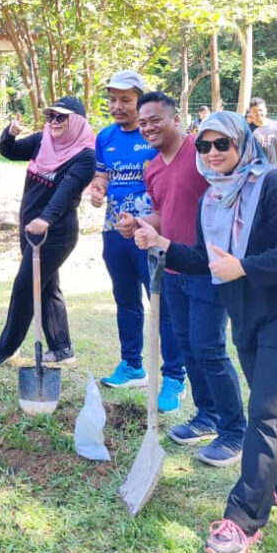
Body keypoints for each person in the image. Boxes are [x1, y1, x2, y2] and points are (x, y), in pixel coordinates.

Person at [135, 111, 277, 553]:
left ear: (243, 143)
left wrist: (245, 267)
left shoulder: (276, 185)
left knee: (265, 411)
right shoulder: (213, 197)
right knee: (274, 404)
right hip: (248, 314)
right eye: (204, 145)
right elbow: (205, 259)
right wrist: (162, 245)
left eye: (222, 144)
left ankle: (243, 518)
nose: (212, 153)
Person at [121, 92, 245, 467]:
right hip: (173, 269)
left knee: (209, 349)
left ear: (176, 119)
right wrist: (139, 224)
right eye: (143, 122)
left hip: (208, 270)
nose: (148, 128)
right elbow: (163, 214)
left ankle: (234, 431)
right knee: (189, 348)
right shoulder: (152, 168)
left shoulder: (202, 153)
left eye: (155, 119)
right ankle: (207, 416)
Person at [89, 71, 186, 411]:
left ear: (140, 101)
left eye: (125, 100)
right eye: (112, 100)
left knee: (162, 305)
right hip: (114, 231)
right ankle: (132, 365)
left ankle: (174, 377)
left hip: (152, 233)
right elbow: (103, 174)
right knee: (125, 299)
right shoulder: (105, 137)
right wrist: (98, 188)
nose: (117, 106)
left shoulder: (154, 136)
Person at [0, 96, 96, 367]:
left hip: (55, 234)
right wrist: (9, 133)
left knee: (25, 288)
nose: (53, 122)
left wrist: (45, 219)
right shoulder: (43, 140)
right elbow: (10, 151)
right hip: (30, 230)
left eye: (61, 117)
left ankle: (4, 349)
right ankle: (62, 347)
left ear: (77, 121)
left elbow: (66, 191)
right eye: (50, 116)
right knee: (47, 286)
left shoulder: (85, 156)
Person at [248, 97, 277, 170]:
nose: (258, 113)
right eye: (255, 111)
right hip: (254, 171)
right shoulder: (246, 130)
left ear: (266, 110)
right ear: (250, 113)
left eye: (260, 110)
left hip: (273, 170)